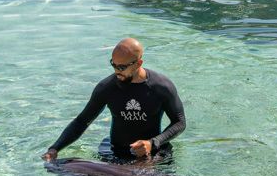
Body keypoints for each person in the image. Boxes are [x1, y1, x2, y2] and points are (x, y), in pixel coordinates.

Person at [41, 38, 186, 163]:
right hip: (116, 151)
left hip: (153, 152)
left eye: (122, 67)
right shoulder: (107, 87)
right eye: (113, 64)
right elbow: (82, 121)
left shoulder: (161, 87)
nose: (116, 71)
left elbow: (179, 122)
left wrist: (153, 143)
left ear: (138, 63)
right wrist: (55, 148)